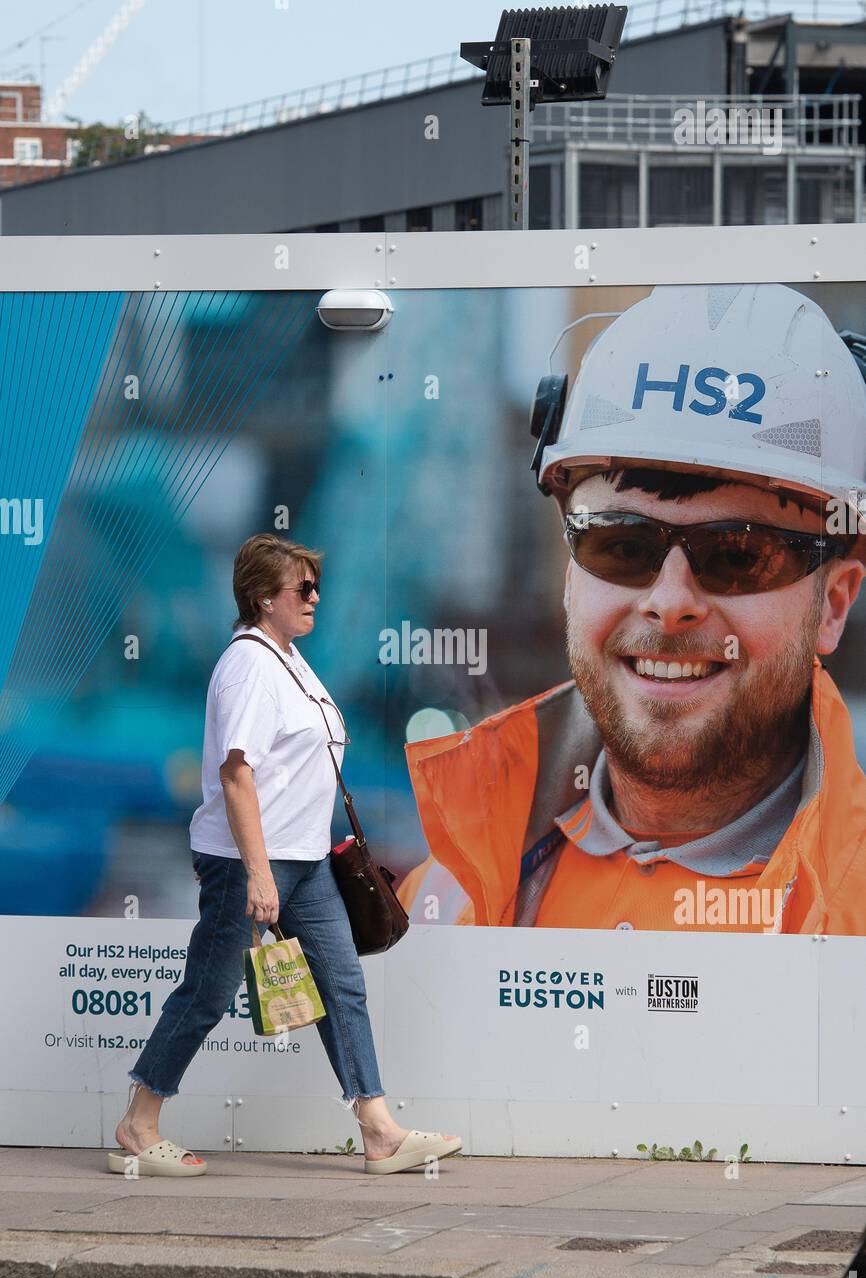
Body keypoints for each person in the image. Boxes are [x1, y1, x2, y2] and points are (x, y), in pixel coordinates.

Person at [397, 283, 866, 933]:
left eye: (737, 556)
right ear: (569, 575)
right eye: (620, 545)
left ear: (833, 605)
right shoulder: (455, 892)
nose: (670, 604)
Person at [109, 534, 461, 1175]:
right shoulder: (248, 666)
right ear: (264, 597)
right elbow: (236, 774)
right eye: (303, 589)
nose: (315, 598)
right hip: (249, 862)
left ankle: (378, 1130)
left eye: (315, 586)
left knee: (342, 985)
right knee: (208, 993)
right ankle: (139, 1121)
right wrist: (259, 874)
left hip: (307, 860)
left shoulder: (290, 660)